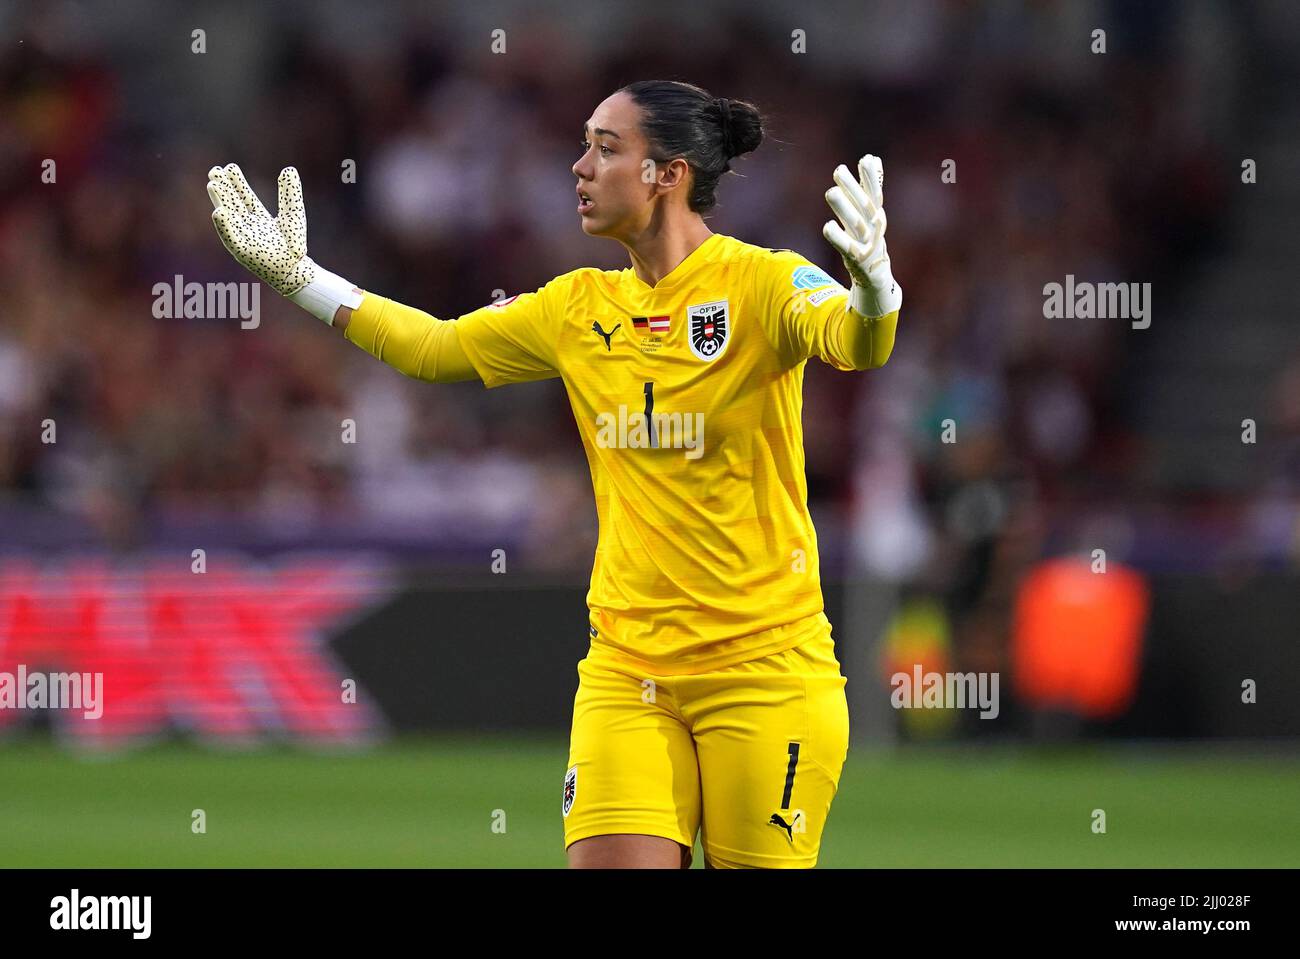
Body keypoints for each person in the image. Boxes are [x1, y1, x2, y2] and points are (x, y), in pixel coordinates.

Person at [206, 78, 902, 868]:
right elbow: (435, 349)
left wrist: (876, 289)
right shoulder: (577, 309)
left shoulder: (765, 282)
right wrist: (300, 278)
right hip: (627, 667)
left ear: (665, 174)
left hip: (764, 670)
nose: (579, 166)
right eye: (585, 145)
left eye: (607, 149)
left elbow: (857, 341)